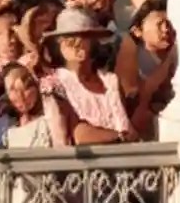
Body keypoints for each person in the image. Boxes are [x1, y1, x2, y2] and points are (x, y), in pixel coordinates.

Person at [43, 8, 136, 145]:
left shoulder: (111, 81)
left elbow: (129, 129)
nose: (77, 44)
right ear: (60, 45)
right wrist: (118, 136)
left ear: (93, 41)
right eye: (69, 39)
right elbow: (79, 134)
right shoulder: (55, 84)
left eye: (83, 37)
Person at [116, 0, 178, 139]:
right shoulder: (133, 52)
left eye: (168, 23)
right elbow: (137, 95)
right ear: (138, 31)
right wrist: (168, 63)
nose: (165, 30)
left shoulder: (179, 51)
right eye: (159, 24)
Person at [0, 64, 68, 149]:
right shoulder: (1, 130)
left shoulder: (49, 120)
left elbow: (61, 147)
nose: (20, 96)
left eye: (26, 87)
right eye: (13, 90)